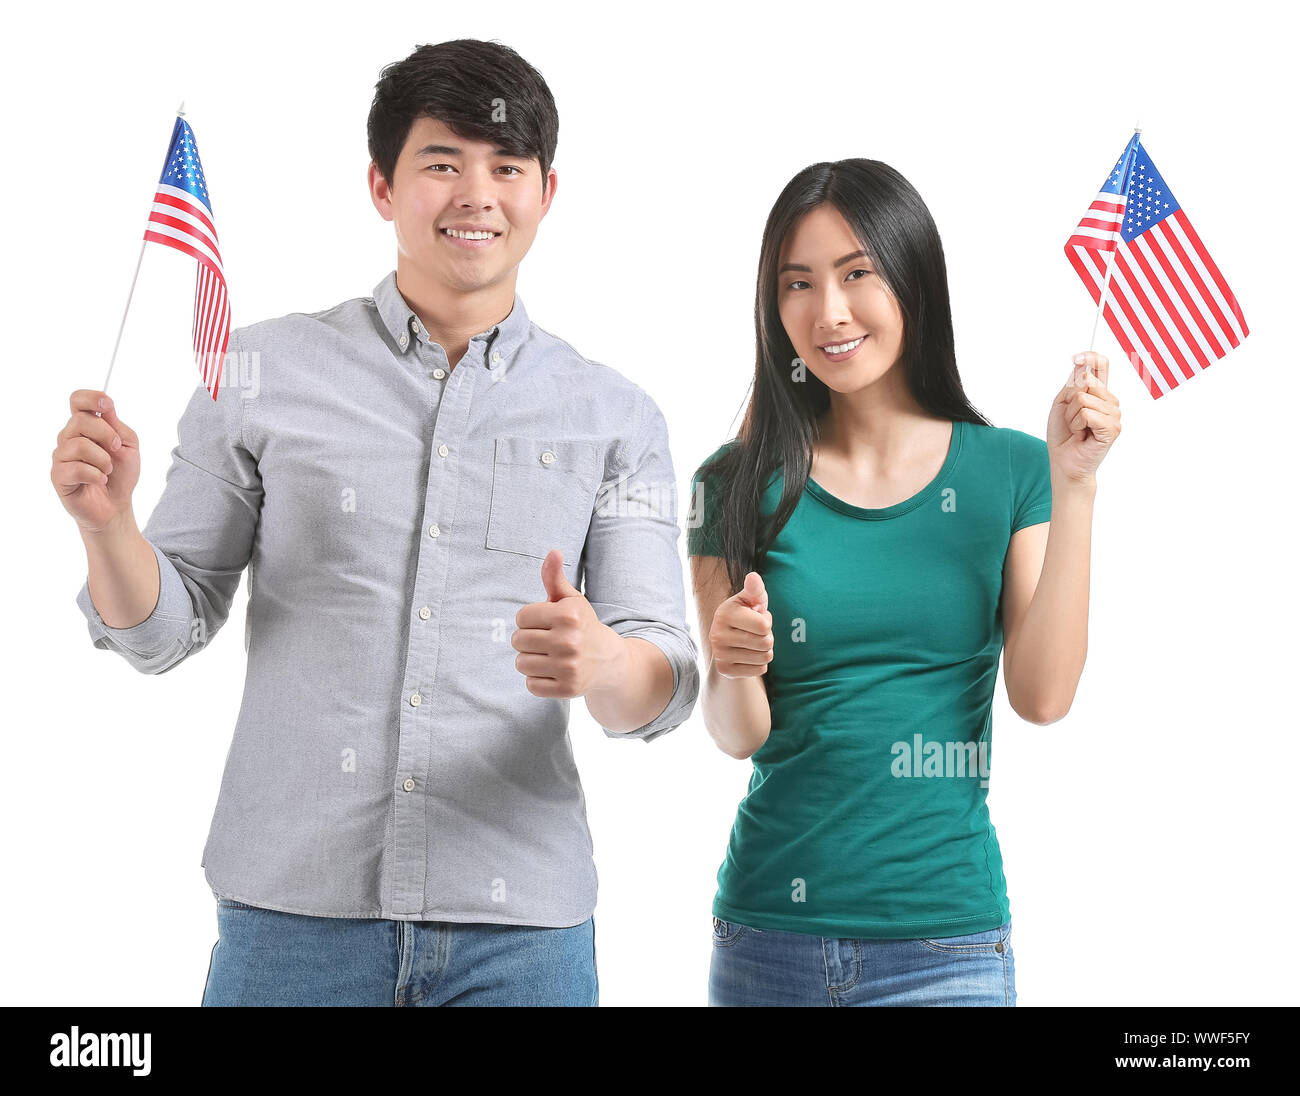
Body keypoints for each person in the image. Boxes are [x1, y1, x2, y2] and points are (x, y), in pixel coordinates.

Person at [50, 38, 699, 1007]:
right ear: (381, 186)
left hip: (519, 932)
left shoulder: (615, 415)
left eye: (505, 166)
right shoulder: (259, 373)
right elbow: (162, 628)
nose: (475, 193)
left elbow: (660, 678)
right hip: (291, 922)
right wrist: (107, 527)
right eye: (442, 162)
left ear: (545, 194)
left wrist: (603, 661)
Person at [687, 159, 1121, 1006]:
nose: (829, 313)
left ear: (913, 281)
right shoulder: (731, 481)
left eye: (857, 274)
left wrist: (1076, 487)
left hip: (946, 946)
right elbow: (738, 734)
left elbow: (1042, 696)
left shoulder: (1012, 471)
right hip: (767, 939)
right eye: (797, 285)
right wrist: (734, 664)